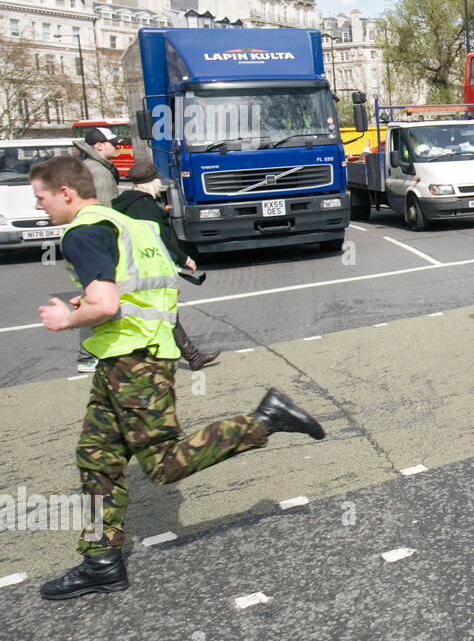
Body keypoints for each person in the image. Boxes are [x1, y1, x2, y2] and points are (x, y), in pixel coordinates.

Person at [29, 156, 325, 600]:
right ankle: (101, 561)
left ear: (66, 193)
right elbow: (160, 287)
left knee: (163, 464)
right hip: (135, 357)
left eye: (43, 198)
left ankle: (264, 420)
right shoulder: (132, 226)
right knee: (96, 459)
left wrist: (65, 318)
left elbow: (106, 304)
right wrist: (92, 301)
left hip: (134, 364)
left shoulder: (83, 231)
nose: (40, 207)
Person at [109, 163, 220, 371]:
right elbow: (158, 238)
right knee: (160, 310)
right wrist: (183, 259)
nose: (160, 184)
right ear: (149, 183)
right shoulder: (145, 206)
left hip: (135, 265)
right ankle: (183, 356)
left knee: (160, 310)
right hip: (149, 265)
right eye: (157, 180)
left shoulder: (124, 203)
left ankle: (192, 355)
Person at [70, 127, 124, 373]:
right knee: (100, 297)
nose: (118, 147)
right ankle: (87, 357)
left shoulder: (90, 167)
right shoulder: (99, 172)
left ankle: (95, 353)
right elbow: (105, 212)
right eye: (113, 143)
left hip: (90, 241)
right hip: (99, 242)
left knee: (100, 295)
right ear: (99, 146)